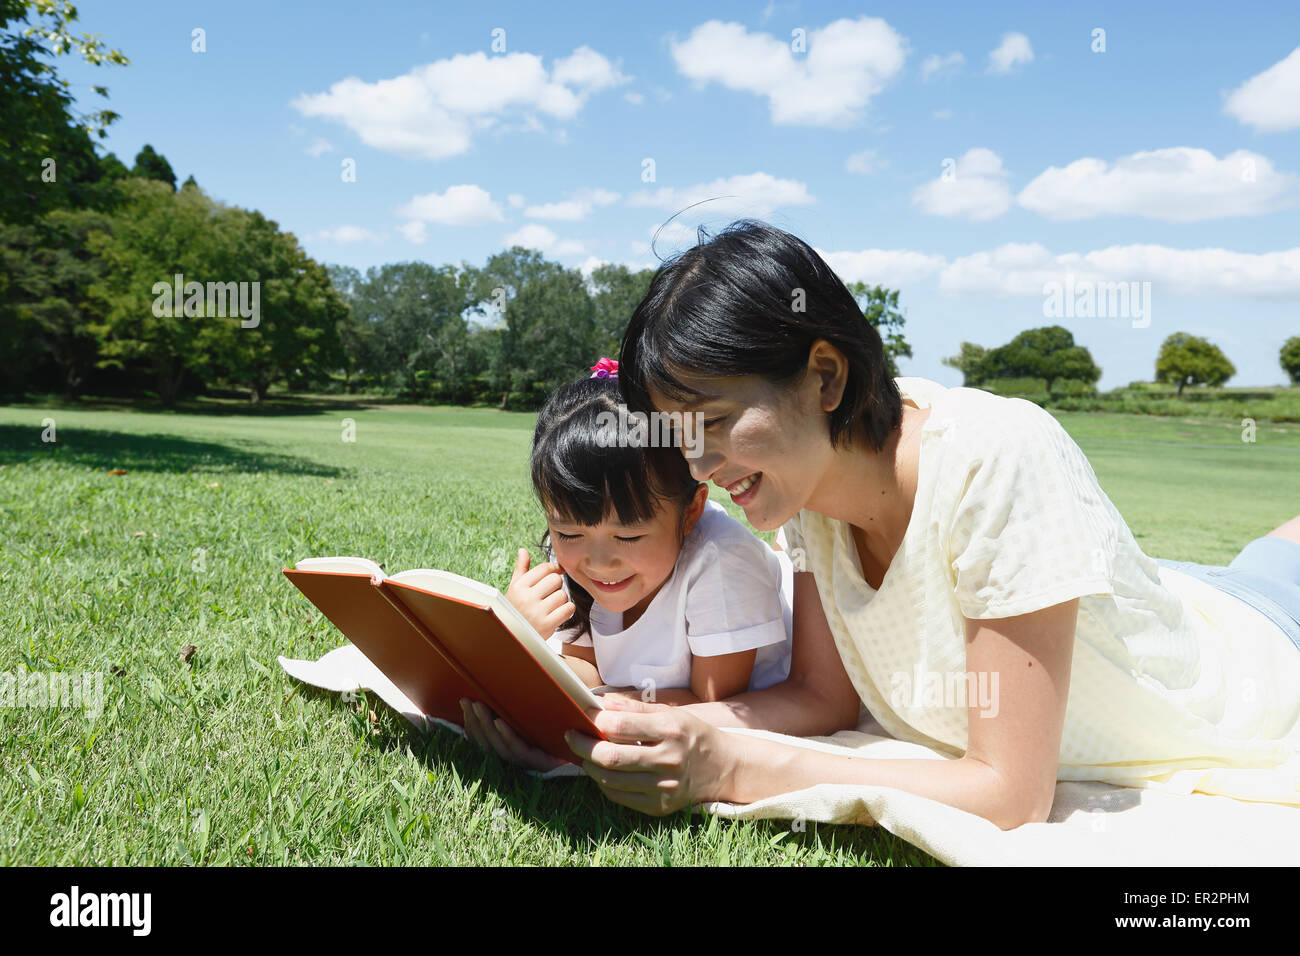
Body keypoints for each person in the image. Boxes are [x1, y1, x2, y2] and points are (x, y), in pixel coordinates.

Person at [544, 219, 1300, 828]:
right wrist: (607, 723)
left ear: (826, 375)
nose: (699, 466)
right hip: (1159, 597)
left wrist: (731, 766)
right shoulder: (802, 497)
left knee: (1275, 563)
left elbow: (1010, 792)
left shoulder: (994, 453)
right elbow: (821, 699)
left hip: (1259, 649)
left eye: (713, 422)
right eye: (679, 437)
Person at [460, 363, 794, 760]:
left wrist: (583, 715)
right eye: (568, 532)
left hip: (770, 632)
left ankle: (785, 544)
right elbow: (590, 672)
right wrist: (517, 643)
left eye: (629, 536)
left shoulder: (722, 565)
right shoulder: (571, 559)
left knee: (786, 562)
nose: (600, 562)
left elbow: (712, 708)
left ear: (690, 512)